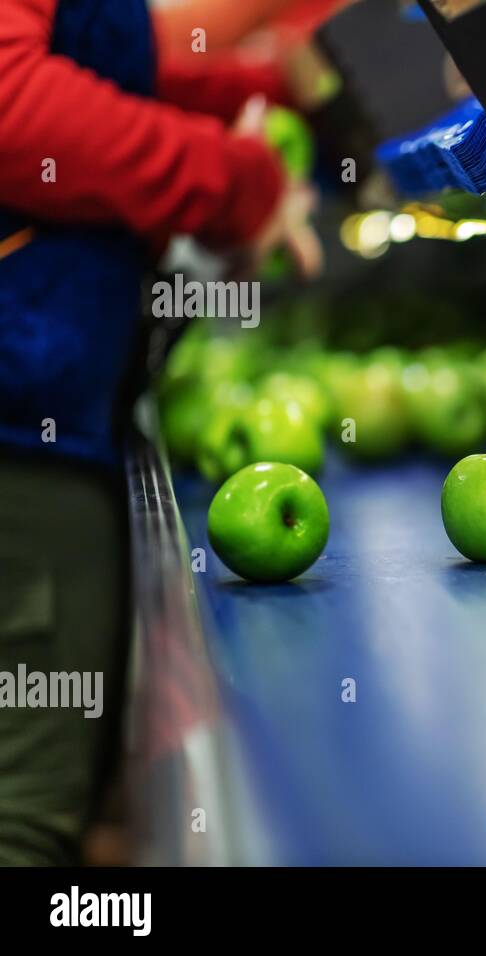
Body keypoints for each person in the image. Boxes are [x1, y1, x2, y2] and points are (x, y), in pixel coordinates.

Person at [0, 0, 322, 865]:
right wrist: (236, 184)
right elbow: (9, 102)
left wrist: (271, 83)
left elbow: (98, 51)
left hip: (45, 424)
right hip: (21, 441)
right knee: (20, 818)